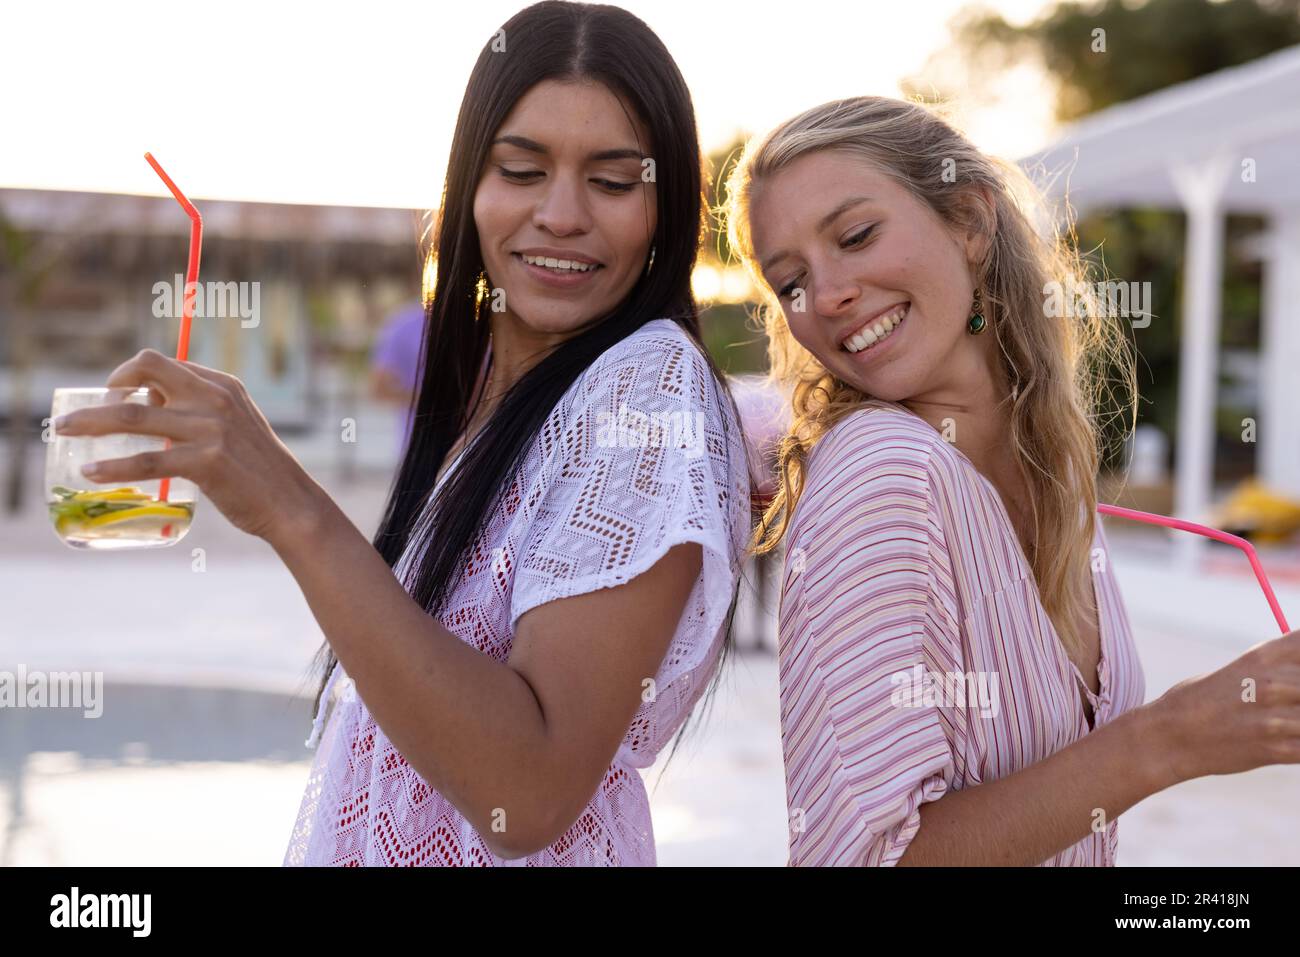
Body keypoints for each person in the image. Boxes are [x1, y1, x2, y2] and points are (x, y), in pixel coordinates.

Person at [55, 0, 752, 866]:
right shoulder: (503, 401)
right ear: (469, 185)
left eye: (613, 181)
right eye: (521, 170)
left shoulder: (648, 381)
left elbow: (527, 794)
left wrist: (289, 507)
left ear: (667, 206)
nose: (562, 214)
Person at [723, 94, 1300, 866]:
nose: (825, 298)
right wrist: (1172, 736)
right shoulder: (882, 469)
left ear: (970, 220)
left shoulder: (1051, 465)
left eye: (855, 237)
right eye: (789, 283)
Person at [369, 300, 425, 457]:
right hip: (419, 447)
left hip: (476, 445)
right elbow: (379, 389)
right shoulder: (402, 325)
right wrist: (436, 402)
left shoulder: (480, 321)